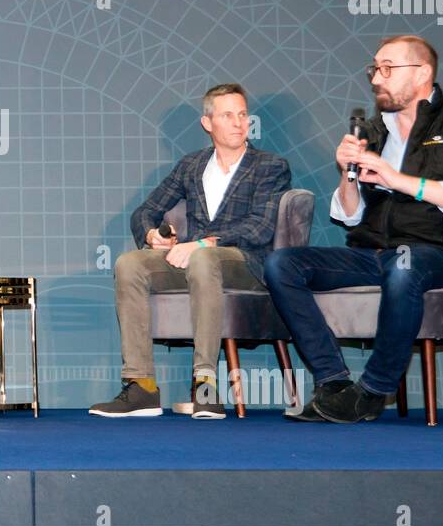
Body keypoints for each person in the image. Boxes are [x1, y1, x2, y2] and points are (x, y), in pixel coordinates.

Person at [264, 35, 443, 423]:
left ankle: (373, 391)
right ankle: (335, 383)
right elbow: (349, 216)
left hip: (440, 251)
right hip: (371, 252)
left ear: (422, 72)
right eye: (375, 68)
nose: (376, 79)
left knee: (403, 266)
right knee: (281, 265)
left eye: (388, 69)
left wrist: (397, 177)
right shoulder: (373, 130)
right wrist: (349, 175)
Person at [90, 84, 292, 419]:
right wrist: (154, 235)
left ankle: (205, 386)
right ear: (208, 123)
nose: (239, 122)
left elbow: (259, 229)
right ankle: (142, 387)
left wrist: (202, 243)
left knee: (202, 257)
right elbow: (144, 212)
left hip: (248, 263)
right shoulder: (192, 166)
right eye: (228, 115)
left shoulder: (269, 166)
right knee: (130, 264)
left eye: (243, 114)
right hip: (197, 261)